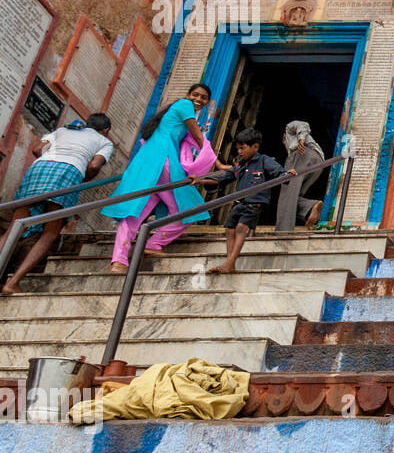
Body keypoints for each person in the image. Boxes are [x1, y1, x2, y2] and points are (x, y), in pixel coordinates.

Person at [101, 83, 214, 273]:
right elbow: (199, 138)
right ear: (188, 95)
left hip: (150, 165)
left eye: (203, 97)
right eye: (195, 94)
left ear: (207, 101)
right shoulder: (185, 105)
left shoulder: (175, 114)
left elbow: (191, 141)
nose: (198, 99)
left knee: (136, 213)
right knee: (189, 209)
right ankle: (153, 244)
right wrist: (217, 163)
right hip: (164, 162)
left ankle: (119, 261)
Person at [2, 114, 113, 294]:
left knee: (14, 229)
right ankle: (12, 283)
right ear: (106, 129)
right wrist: (81, 178)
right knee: (50, 233)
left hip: (38, 169)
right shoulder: (104, 141)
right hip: (68, 173)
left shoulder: (63, 130)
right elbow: (94, 166)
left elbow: (38, 150)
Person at [200, 128, 295, 275]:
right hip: (239, 202)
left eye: (242, 148)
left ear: (255, 147)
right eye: (237, 148)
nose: (239, 151)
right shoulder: (240, 166)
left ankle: (230, 262)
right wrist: (200, 180)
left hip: (254, 202)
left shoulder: (264, 161)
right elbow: (224, 177)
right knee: (230, 228)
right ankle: (230, 261)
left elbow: (279, 172)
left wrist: (287, 174)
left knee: (241, 228)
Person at [274, 121, 325, 231]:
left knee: (286, 195)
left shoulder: (288, 130)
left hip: (302, 156)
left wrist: (301, 139)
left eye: (283, 141)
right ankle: (310, 206)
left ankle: (283, 231)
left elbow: (302, 125)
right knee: (293, 196)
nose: (284, 143)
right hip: (318, 162)